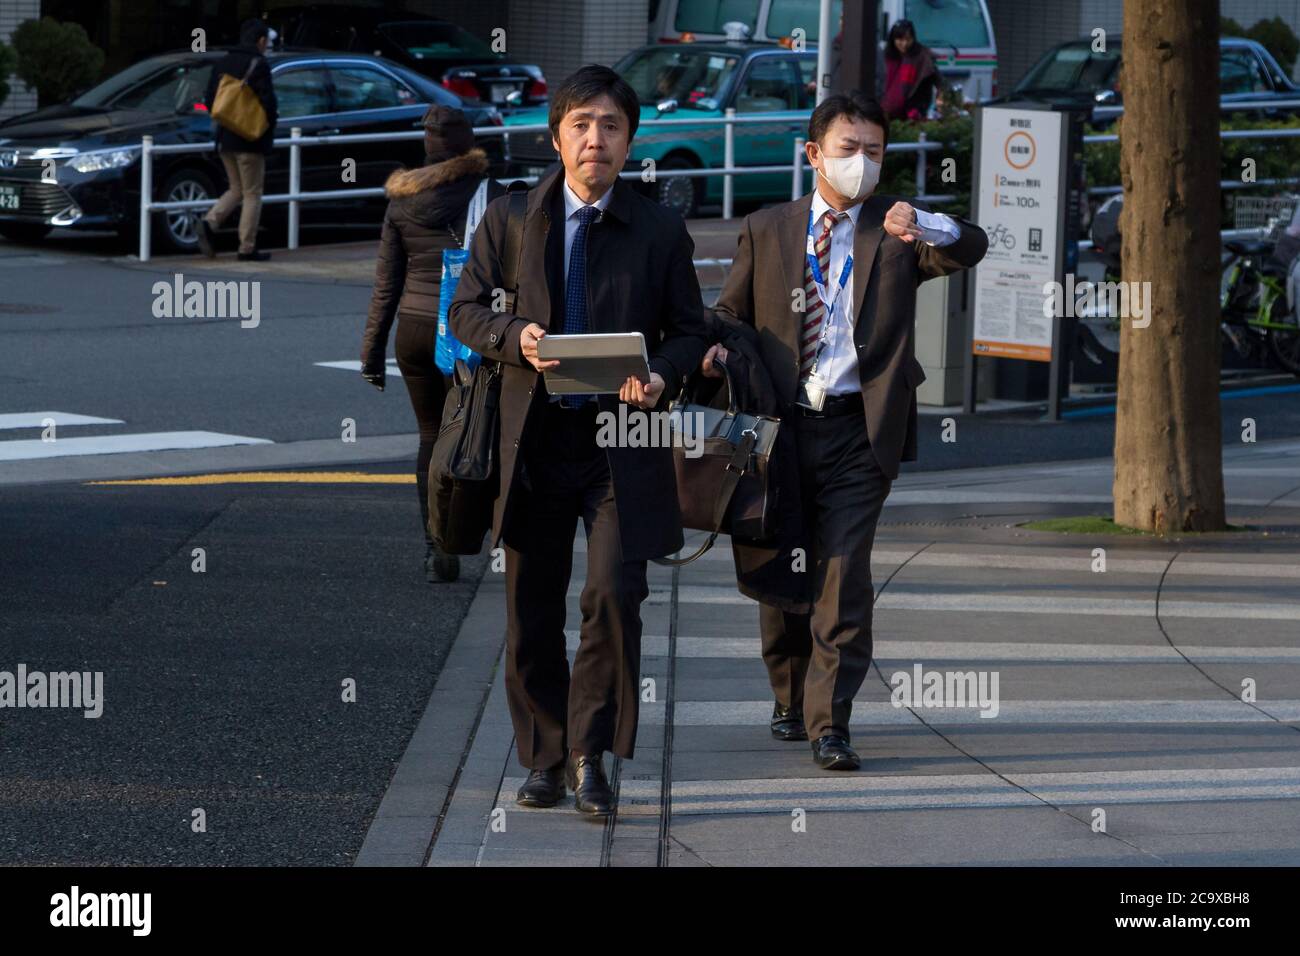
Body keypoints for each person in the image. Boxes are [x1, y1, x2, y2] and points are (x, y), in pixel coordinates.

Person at [449, 65, 709, 816]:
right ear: (557, 136)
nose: (596, 140)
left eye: (612, 127)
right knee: (529, 606)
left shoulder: (658, 228)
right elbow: (464, 311)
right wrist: (512, 336)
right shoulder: (509, 217)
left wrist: (661, 372)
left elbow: (692, 330)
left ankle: (593, 755)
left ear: (630, 141)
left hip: (620, 439)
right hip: (529, 439)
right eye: (582, 125)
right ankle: (543, 754)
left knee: (612, 595)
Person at [702, 91, 987, 770]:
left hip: (861, 430)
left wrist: (927, 223)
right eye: (848, 148)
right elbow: (732, 315)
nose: (861, 162)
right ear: (813, 154)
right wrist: (706, 353)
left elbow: (972, 245)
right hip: (778, 429)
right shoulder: (767, 227)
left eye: (874, 151)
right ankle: (789, 691)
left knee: (843, 573)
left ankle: (831, 722)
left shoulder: (894, 235)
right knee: (779, 566)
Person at [360, 105, 503, 583]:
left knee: (429, 438)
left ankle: (436, 547)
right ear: (468, 144)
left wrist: (371, 353)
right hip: (469, 331)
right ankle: (481, 534)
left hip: (414, 333)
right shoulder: (492, 196)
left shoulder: (402, 201)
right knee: (480, 433)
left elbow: (386, 283)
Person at [196, 19, 278, 261]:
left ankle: (210, 221)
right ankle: (246, 247)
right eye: (266, 42)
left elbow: (210, 99)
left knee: (236, 188)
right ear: (261, 41)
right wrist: (266, 130)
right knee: (253, 193)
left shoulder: (223, 62)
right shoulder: (259, 64)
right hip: (249, 140)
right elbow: (269, 104)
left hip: (225, 137)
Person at [881, 19, 938, 121]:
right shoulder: (886, 57)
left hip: (913, 113)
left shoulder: (922, 57)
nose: (904, 43)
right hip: (886, 112)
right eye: (900, 39)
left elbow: (936, 78)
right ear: (893, 39)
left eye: (908, 39)